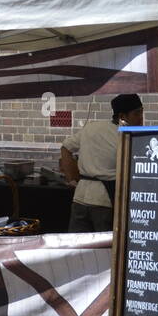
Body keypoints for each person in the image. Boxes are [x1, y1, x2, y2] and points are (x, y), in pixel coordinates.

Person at [58, 93, 144, 233]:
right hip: (105, 202)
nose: (141, 119)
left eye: (141, 113)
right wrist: (73, 177)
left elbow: (65, 148)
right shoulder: (127, 136)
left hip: (80, 197)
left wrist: (72, 179)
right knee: (105, 251)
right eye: (136, 114)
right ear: (122, 116)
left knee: (78, 250)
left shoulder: (91, 128)